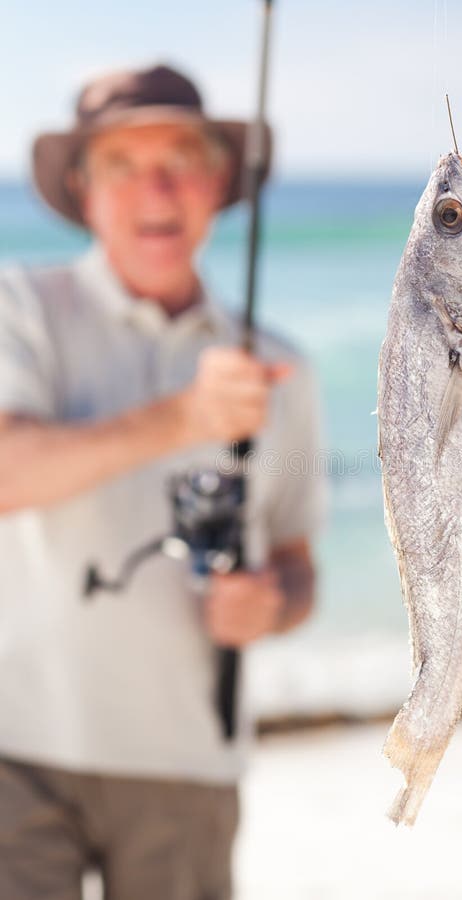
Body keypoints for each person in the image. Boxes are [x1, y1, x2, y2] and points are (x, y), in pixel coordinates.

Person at [0, 63, 325, 899]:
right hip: (14, 747)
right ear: (82, 187)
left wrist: (271, 605)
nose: (157, 189)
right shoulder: (18, 308)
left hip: (187, 764)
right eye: (122, 164)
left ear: (219, 181)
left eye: (181, 160)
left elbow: (298, 564)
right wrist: (184, 418)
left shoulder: (281, 367)